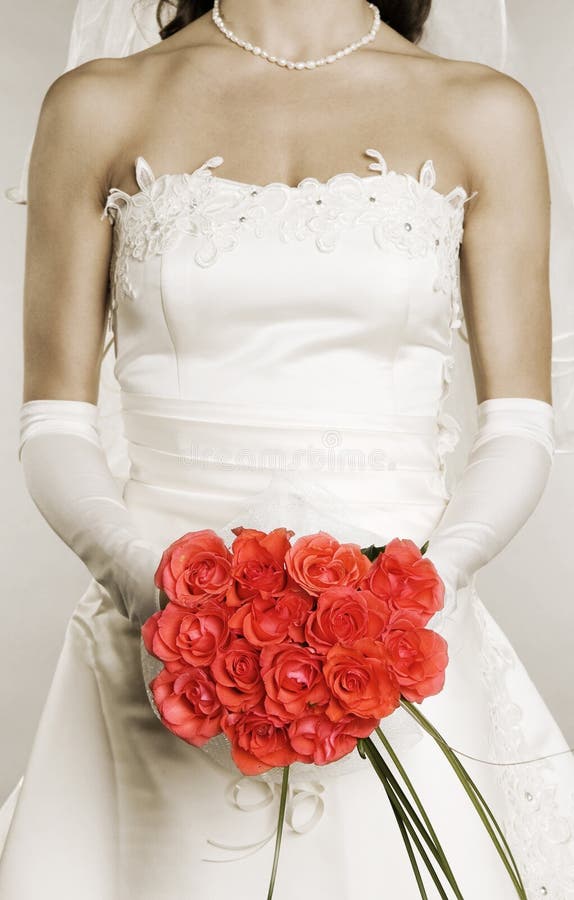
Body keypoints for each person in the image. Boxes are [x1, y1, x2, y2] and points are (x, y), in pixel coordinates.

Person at [1, 1, 573, 897]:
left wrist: (420, 594)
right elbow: (54, 424)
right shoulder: (98, 104)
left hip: (399, 647)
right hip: (163, 649)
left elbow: (520, 425)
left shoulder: (482, 110)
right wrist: (155, 593)